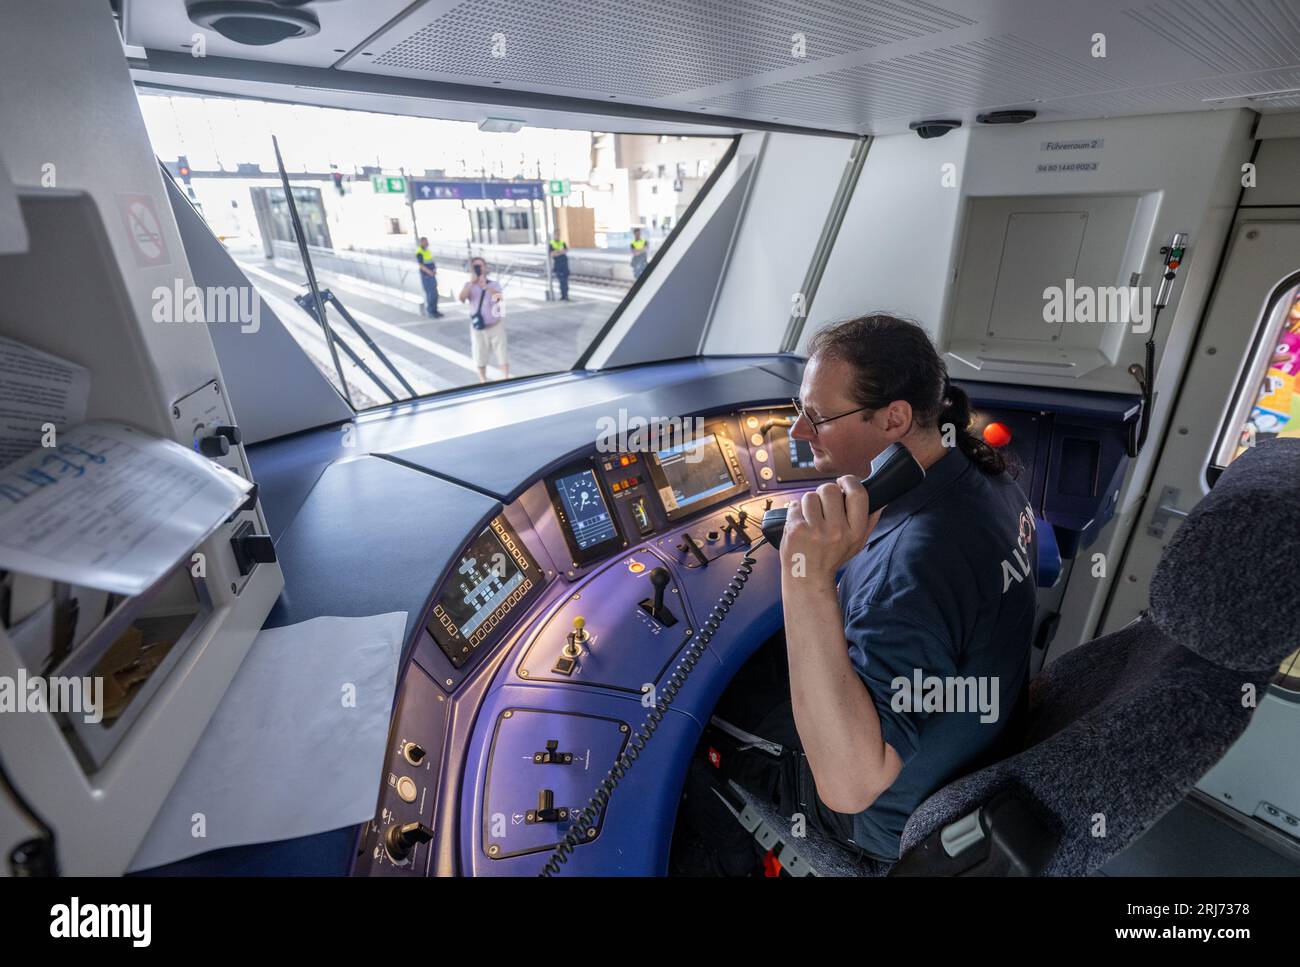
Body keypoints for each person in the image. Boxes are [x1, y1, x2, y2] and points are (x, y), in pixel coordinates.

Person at [679, 314, 1036, 873]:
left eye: (817, 418)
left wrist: (805, 575)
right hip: (970, 748)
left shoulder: (910, 567)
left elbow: (850, 787)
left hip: (883, 815)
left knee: (692, 713)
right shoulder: (989, 475)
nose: (798, 433)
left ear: (894, 418)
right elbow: (1050, 562)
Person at [457, 256, 508, 383]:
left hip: (495, 325)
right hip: (478, 328)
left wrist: (486, 287)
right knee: (480, 356)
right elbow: (462, 298)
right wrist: (471, 283)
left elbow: (499, 299)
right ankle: (483, 381)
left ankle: (506, 378)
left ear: (485, 267)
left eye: (480, 265)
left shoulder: (493, 284)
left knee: (502, 354)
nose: (479, 268)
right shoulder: (469, 285)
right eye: (475, 266)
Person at [415, 236, 442, 318]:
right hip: (426, 277)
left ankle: (435, 310)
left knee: (435, 294)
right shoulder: (419, 252)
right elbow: (421, 265)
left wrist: (434, 270)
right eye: (425, 241)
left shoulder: (427, 251)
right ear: (421, 242)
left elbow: (431, 261)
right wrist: (429, 272)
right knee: (430, 294)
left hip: (432, 275)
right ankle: (431, 312)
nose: (427, 242)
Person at [548, 233, 570, 301]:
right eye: (556, 235)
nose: (557, 236)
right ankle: (563, 295)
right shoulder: (551, 243)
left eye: (558, 235)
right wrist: (561, 252)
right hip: (558, 265)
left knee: (565, 281)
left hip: (564, 265)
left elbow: (566, 250)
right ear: (554, 236)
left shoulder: (562, 242)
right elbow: (552, 254)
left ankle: (565, 295)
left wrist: (557, 252)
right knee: (561, 281)